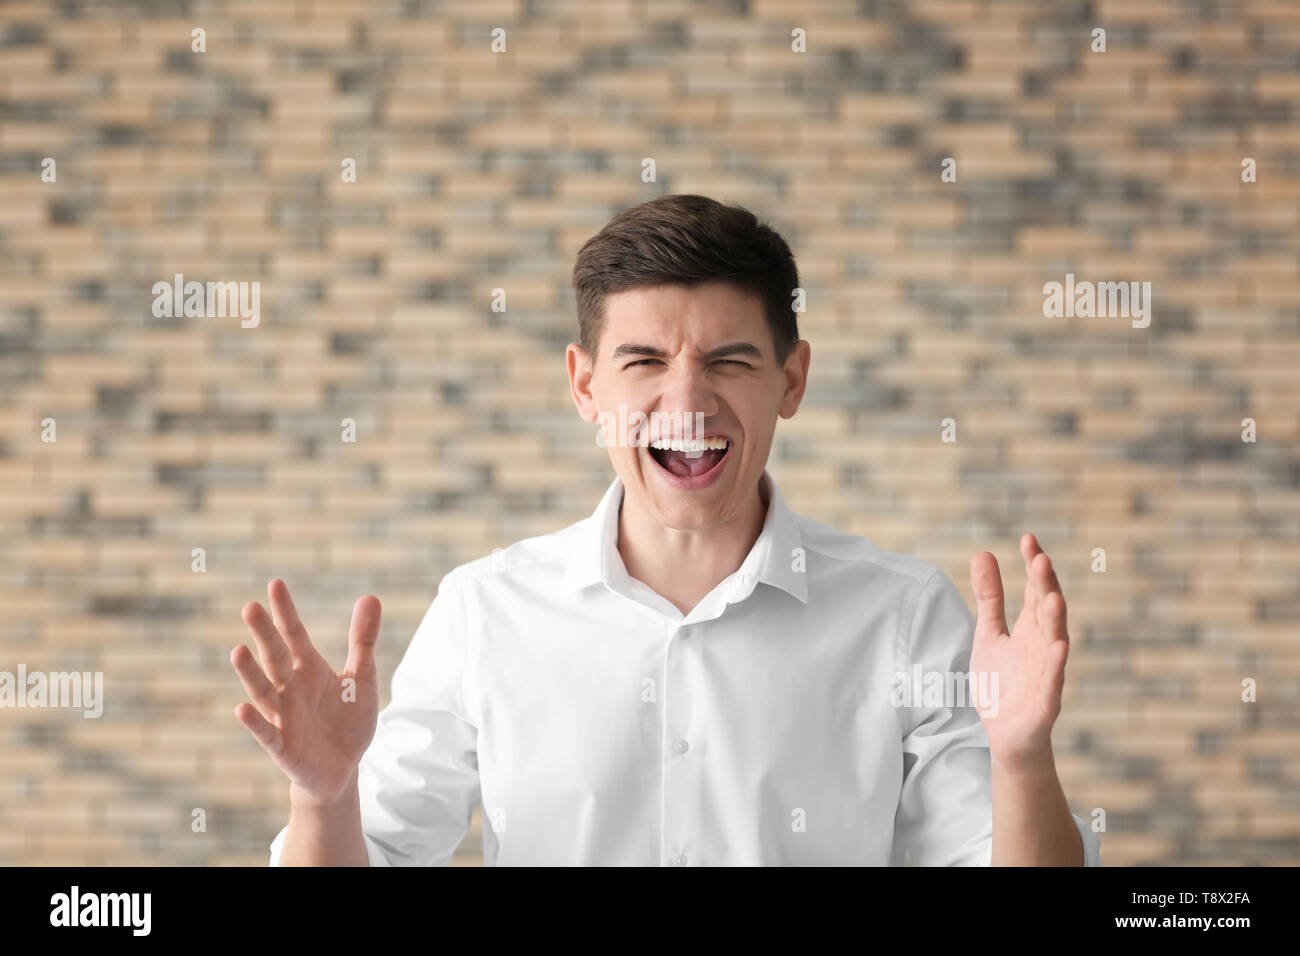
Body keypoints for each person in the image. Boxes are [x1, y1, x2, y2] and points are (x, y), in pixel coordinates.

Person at [232, 194, 1102, 866]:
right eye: (643, 362)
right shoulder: (482, 613)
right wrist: (325, 796)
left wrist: (1022, 760)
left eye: (729, 361)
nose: (686, 403)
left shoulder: (903, 616)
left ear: (792, 381)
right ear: (584, 387)